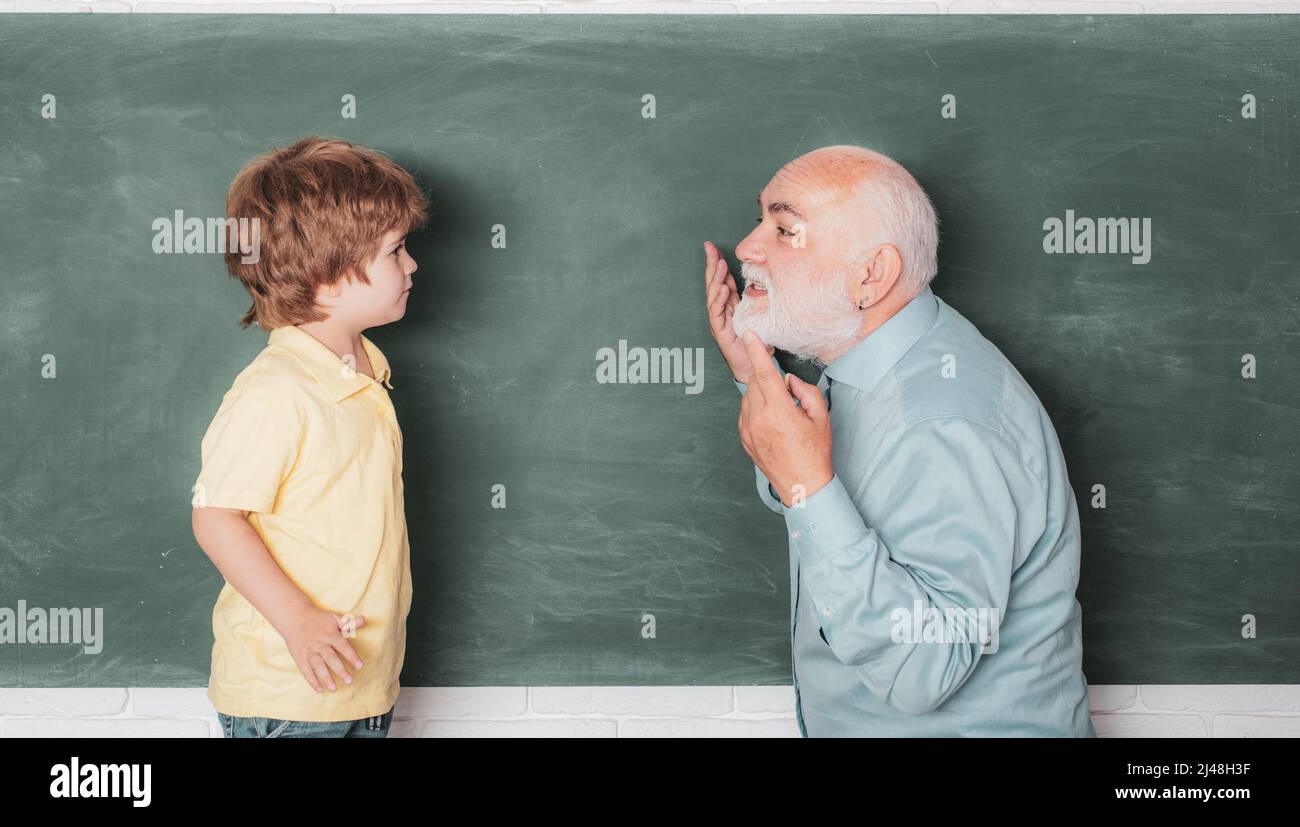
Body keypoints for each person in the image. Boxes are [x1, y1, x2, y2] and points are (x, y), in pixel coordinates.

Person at [703, 145, 1095, 737]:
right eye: (760, 220)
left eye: (785, 229)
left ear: (871, 275)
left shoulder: (945, 422)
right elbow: (804, 484)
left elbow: (924, 667)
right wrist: (750, 369)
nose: (749, 248)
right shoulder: (874, 371)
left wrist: (808, 488)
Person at [191, 136, 426, 738]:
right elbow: (217, 517)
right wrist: (298, 621)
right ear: (327, 275)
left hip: (357, 683)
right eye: (396, 251)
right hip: (289, 694)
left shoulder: (364, 372)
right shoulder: (278, 392)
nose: (412, 265)